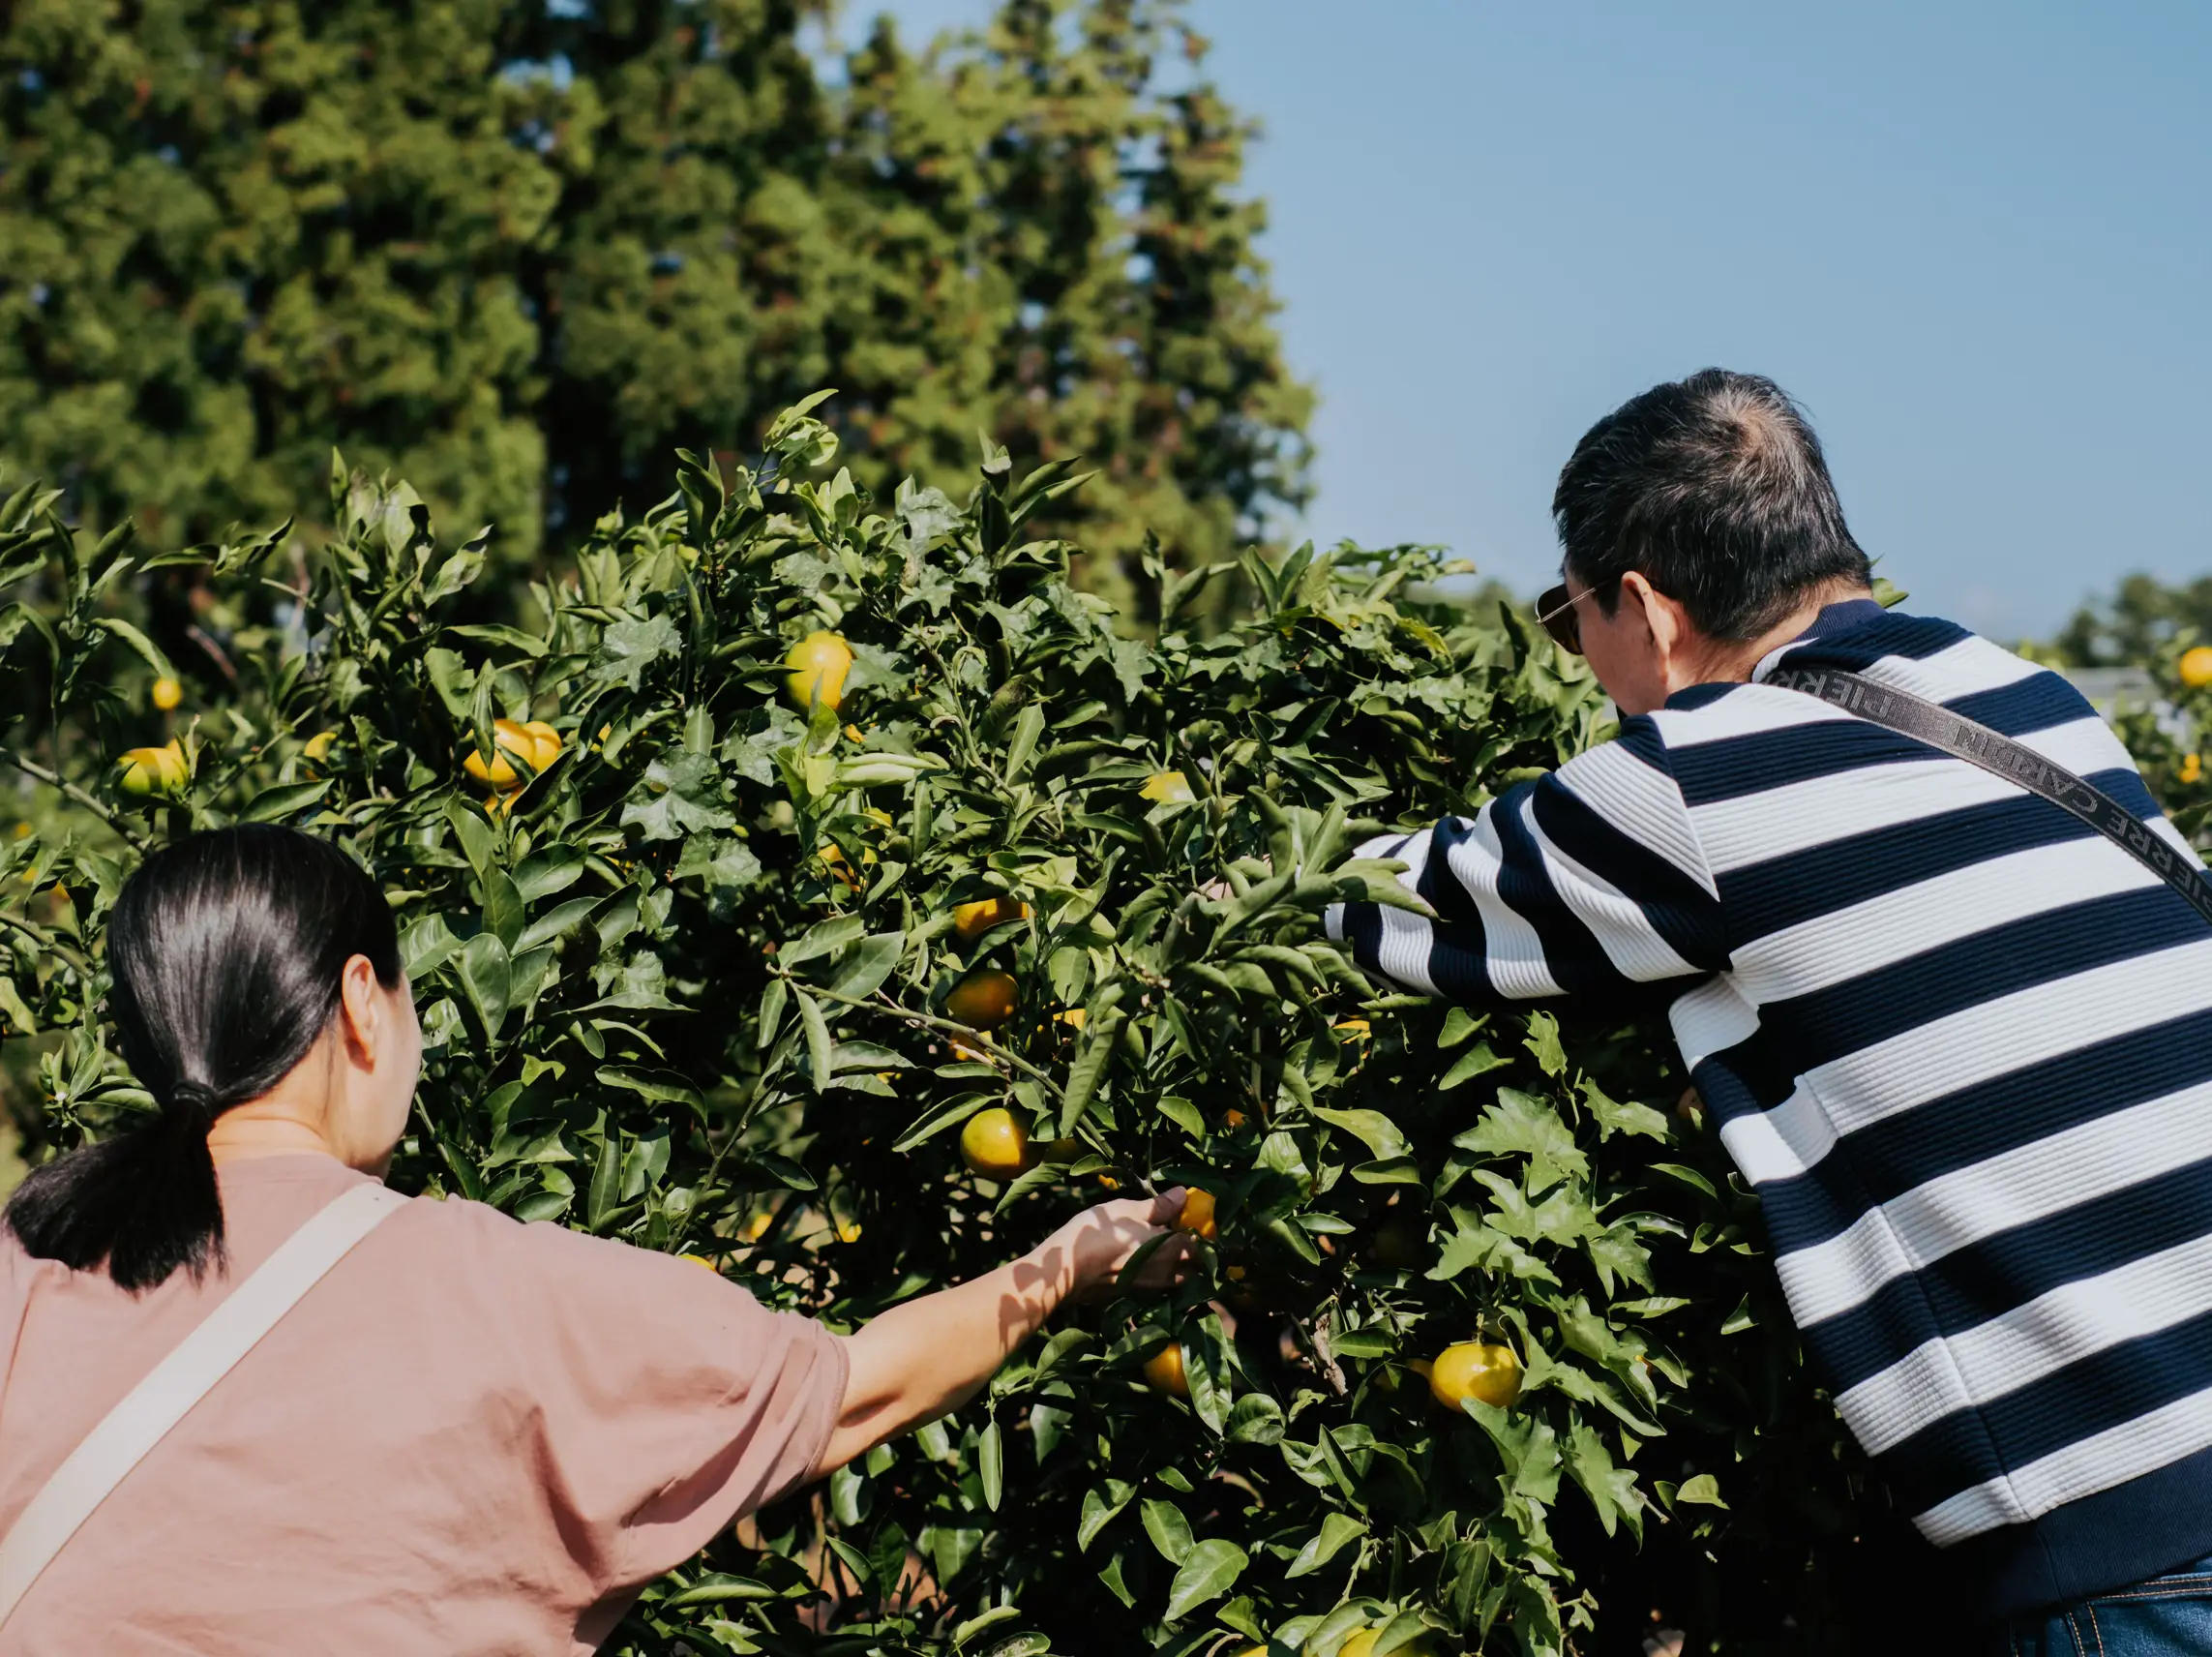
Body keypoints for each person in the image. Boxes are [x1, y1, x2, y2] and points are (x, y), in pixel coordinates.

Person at [1328, 369, 2212, 1653]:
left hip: (2134, 1544)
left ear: (1639, 605)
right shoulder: (2034, 703)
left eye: (1566, 622)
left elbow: (1365, 903)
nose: (1585, 669)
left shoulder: (1698, 776)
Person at [0, 825, 1184, 1652]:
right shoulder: (490, 1286)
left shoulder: (30, 1259)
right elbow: (851, 1389)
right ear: (363, 1000)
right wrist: (1073, 1260)